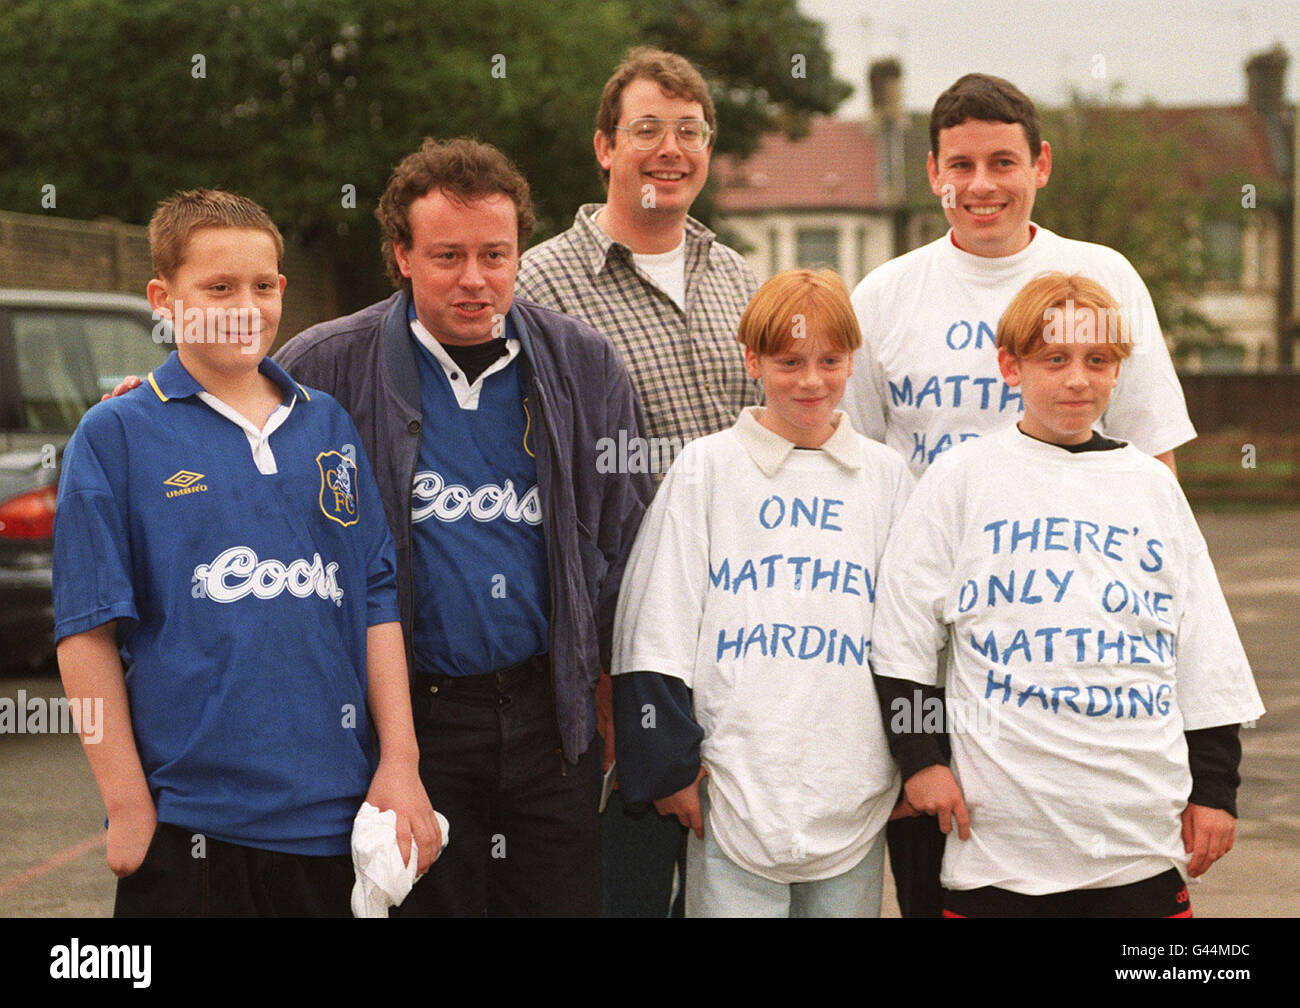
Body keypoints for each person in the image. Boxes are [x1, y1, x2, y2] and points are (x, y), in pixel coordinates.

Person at [841, 72, 1199, 917]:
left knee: (1088, 869)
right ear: (933, 172)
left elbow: (1154, 467)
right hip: (929, 640)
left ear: (1040, 163)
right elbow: (856, 472)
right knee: (942, 866)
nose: (981, 184)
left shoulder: (1100, 275)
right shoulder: (887, 296)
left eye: (1003, 161)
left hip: (1068, 634)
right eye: (960, 164)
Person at [275, 138, 652, 916]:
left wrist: (614, 697)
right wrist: (145, 404)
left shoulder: (585, 366)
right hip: (413, 725)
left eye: (495, 254)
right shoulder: (323, 369)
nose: (475, 279)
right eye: (447, 255)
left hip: (552, 722)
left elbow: (626, 545)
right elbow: (232, 451)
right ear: (401, 257)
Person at [54, 189, 438, 916]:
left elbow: (376, 600)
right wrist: (127, 800)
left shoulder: (328, 425)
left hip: (334, 829)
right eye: (218, 287)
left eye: (261, 286)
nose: (244, 305)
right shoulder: (116, 437)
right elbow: (86, 630)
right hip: (192, 827)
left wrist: (400, 763)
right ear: (163, 299)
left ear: (283, 291)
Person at [869, 272, 1263, 917]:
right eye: (1055, 359)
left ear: (1117, 371)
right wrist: (920, 760)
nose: (1078, 379)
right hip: (1001, 838)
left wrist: (1216, 789)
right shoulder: (961, 478)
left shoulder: (1150, 486)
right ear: (1011, 365)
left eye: (1097, 360)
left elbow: (1205, 649)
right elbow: (903, 633)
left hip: (1136, 837)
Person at [516, 45, 759, 917]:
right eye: (647, 128)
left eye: (689, 131)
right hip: (614, 647)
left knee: (730, 875)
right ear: (604, 148)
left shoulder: (741, 281)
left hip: (741, 634)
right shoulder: (537, 286)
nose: (670, 148)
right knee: (622, 882)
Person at [611, 269, 913, 916]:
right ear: (752, 359)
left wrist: (920, 756)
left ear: (851, 362)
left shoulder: (888, 480)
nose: (811, 380)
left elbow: (912, 631)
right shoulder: (706, 469)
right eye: (789, 361)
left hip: (851, 787)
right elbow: (656, 618)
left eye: (830, 361)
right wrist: (669, 767)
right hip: (732, 791)